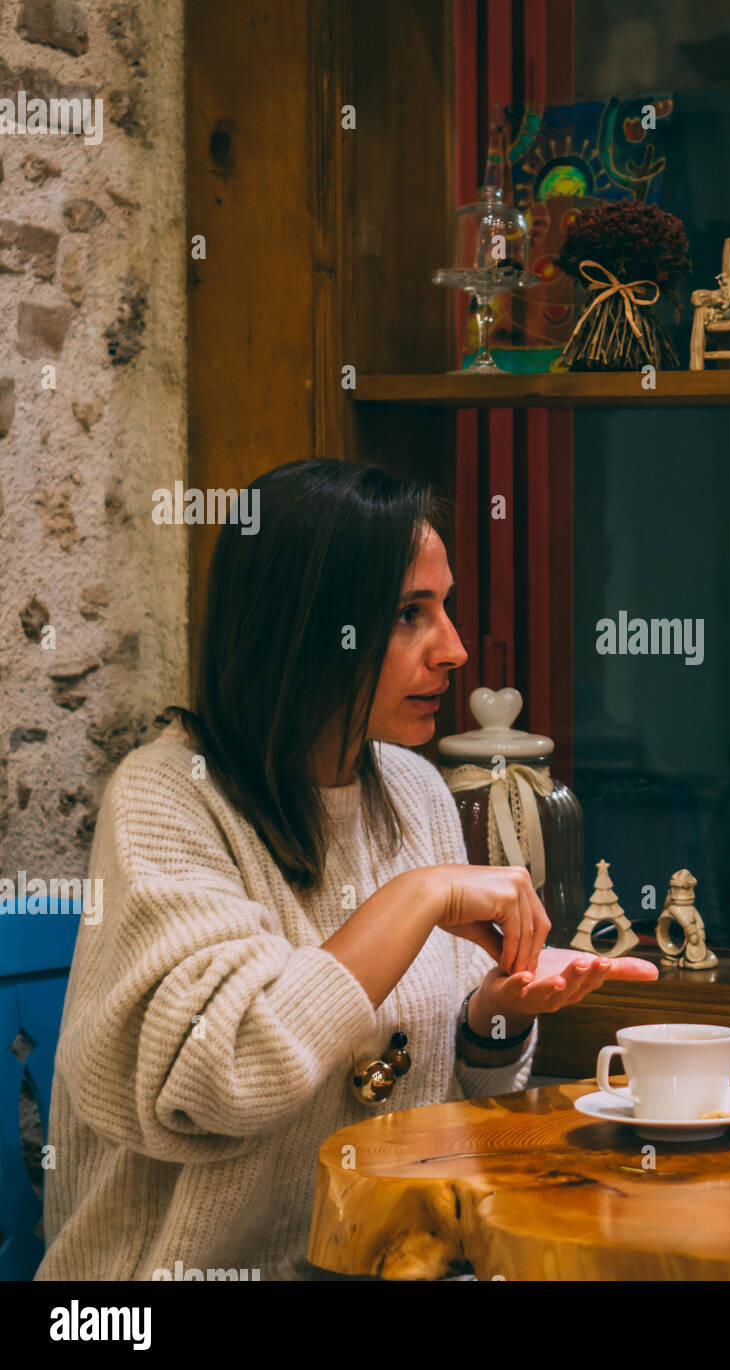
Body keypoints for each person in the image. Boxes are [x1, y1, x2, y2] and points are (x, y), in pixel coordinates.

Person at [35, 459, 656, 1281]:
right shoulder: (168, 798)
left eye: (446, 609)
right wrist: (417, 896)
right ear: (302, 624)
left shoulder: (412, 787)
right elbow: (220, 1081)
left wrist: (490, 1019)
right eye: (409, 615)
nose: (456, 651)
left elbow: (429, 1102)